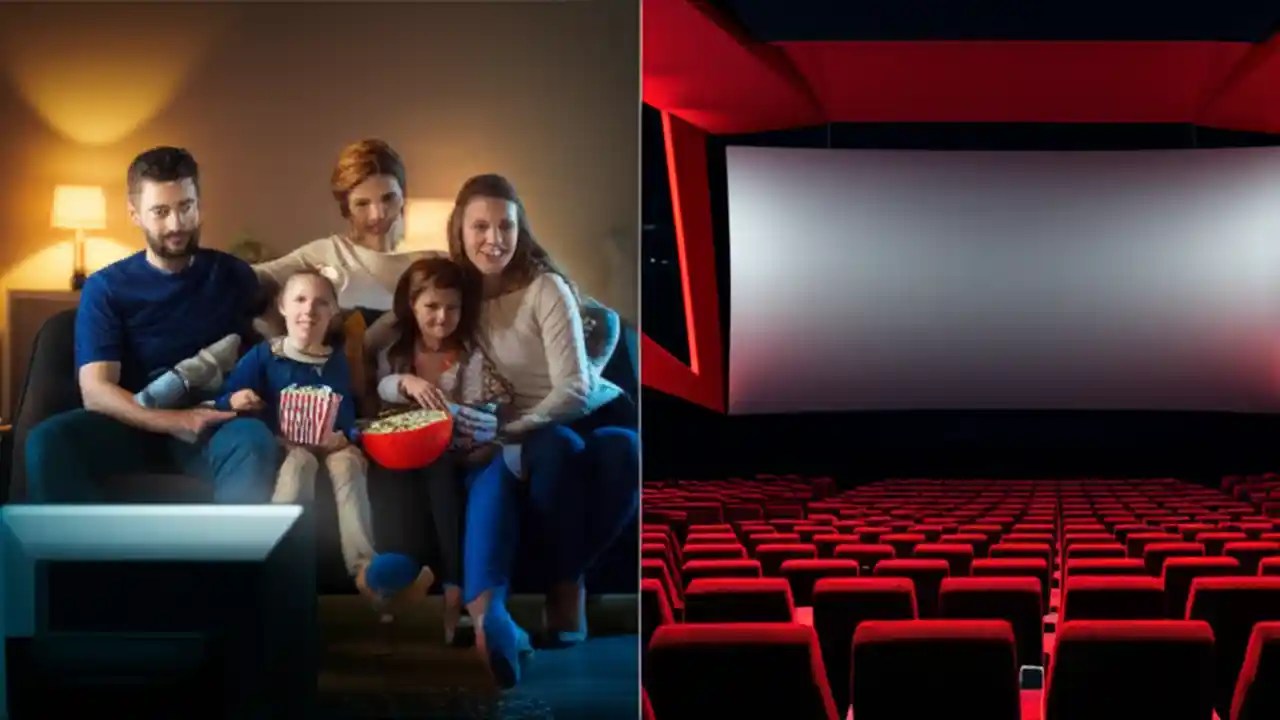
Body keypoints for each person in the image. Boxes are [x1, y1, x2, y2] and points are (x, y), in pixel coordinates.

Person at [444, 174, 639, 688]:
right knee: (554, 449)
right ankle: (545, 591)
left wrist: (513, 429)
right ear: (459, 232)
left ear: (520, 228)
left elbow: (574, 389)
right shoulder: (457, 296)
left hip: (591, 410)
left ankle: (566, 581)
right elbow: (396, 314)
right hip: (544, 433)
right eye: (480, 226)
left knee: (625, 449)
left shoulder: (543, 286)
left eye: (505, 225)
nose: (494, 238)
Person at [24, 146, 277, 503]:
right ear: (135, 214)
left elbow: (276, 343)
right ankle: (78, 558)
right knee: (47, 441)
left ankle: (228, 558)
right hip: (128, 423)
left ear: (198, 203)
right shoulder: (106, 287)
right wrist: (177, 420)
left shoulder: (233, 275)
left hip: (212, 424)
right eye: (160, 212)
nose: (176, 224)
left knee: (253, 441)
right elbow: (96, 391)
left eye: (185, 207)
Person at [213, 270, 410, 601]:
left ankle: (365, 568)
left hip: (331, 444)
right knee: (300, 463)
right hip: (286, 446)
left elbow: (347, 412)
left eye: (321, 303)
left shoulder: (336, 363)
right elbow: (225, 399)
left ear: (333, 312)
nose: (310, 310)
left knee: (348, 463)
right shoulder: (265, 355)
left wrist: (346, 435)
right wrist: (235, 400)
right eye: (300, 300)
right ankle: (277, 553)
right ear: (283, 307)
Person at [373, 257, 510, 644]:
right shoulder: (396, 351)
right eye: (431, 307)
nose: (441, 317)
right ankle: (403, 568)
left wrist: (480, 425)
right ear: (412, 306)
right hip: (403, 452)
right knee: (393, 470)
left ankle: (454, 585)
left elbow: (490, 410)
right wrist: (406, 382)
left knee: (441, 467)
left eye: (452, 308)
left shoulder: (472, 355)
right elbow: (382, 391)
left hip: (458, 452)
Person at [252, 139, 441, 312]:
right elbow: (252, 277)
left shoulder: (433, 257)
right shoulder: (327, 253)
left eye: (388, 198)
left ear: (403, 196)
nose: (378, 214)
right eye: (362, 204)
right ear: (346, 209)